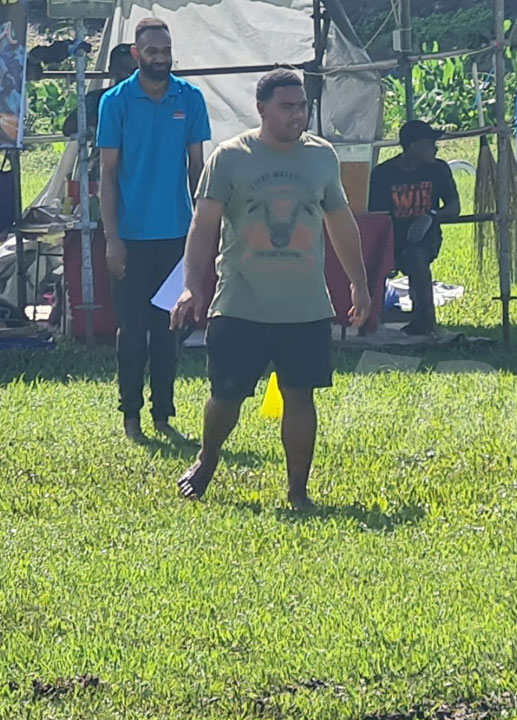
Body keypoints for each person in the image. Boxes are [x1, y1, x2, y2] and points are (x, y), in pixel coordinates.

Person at [169, 69, 372, 511]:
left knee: (301, 395)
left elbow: (340, 222)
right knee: (226, 396)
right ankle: (208, 458)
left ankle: (298, 490)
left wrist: (360, 283)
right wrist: (190, 287)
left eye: (302, 106)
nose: (297, 115)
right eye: (287, 107)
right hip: (240, 303)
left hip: (305, 307)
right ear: (261, 108)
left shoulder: (322, 157)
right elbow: (203, 227)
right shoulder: (230, 157)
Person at [98, 18, 210, 443]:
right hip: (128, 239)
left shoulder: (190, 98)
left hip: (176, 239)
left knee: (169, 331)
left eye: (165, 51)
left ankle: (164, 413)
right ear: (136, 54)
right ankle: (131, 416)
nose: (160, 58)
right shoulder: (116, 101)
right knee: (131, 334)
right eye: (152, 52)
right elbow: (107, 175)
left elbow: (198, 167)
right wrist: (112, 240)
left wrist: (204, 229)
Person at [368, 120, 461, 336]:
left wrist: (431, 215)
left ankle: (424, 322)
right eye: (429, 143)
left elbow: (454, 206)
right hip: (390, 236)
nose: (434, 149)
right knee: (374, 262)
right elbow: (376, 214)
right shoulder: (383, 174)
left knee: (416, 259)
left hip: (425, 238)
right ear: (412, 146)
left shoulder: (438, 170)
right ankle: (371, 316)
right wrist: (384, 245)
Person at [61, 43, 137, 141]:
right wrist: (100, 121)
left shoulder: (153, 99)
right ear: (111, 71)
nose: (129, 77)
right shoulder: (98, 98)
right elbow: (68, 128)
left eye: (134, 72)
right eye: (124, 72)